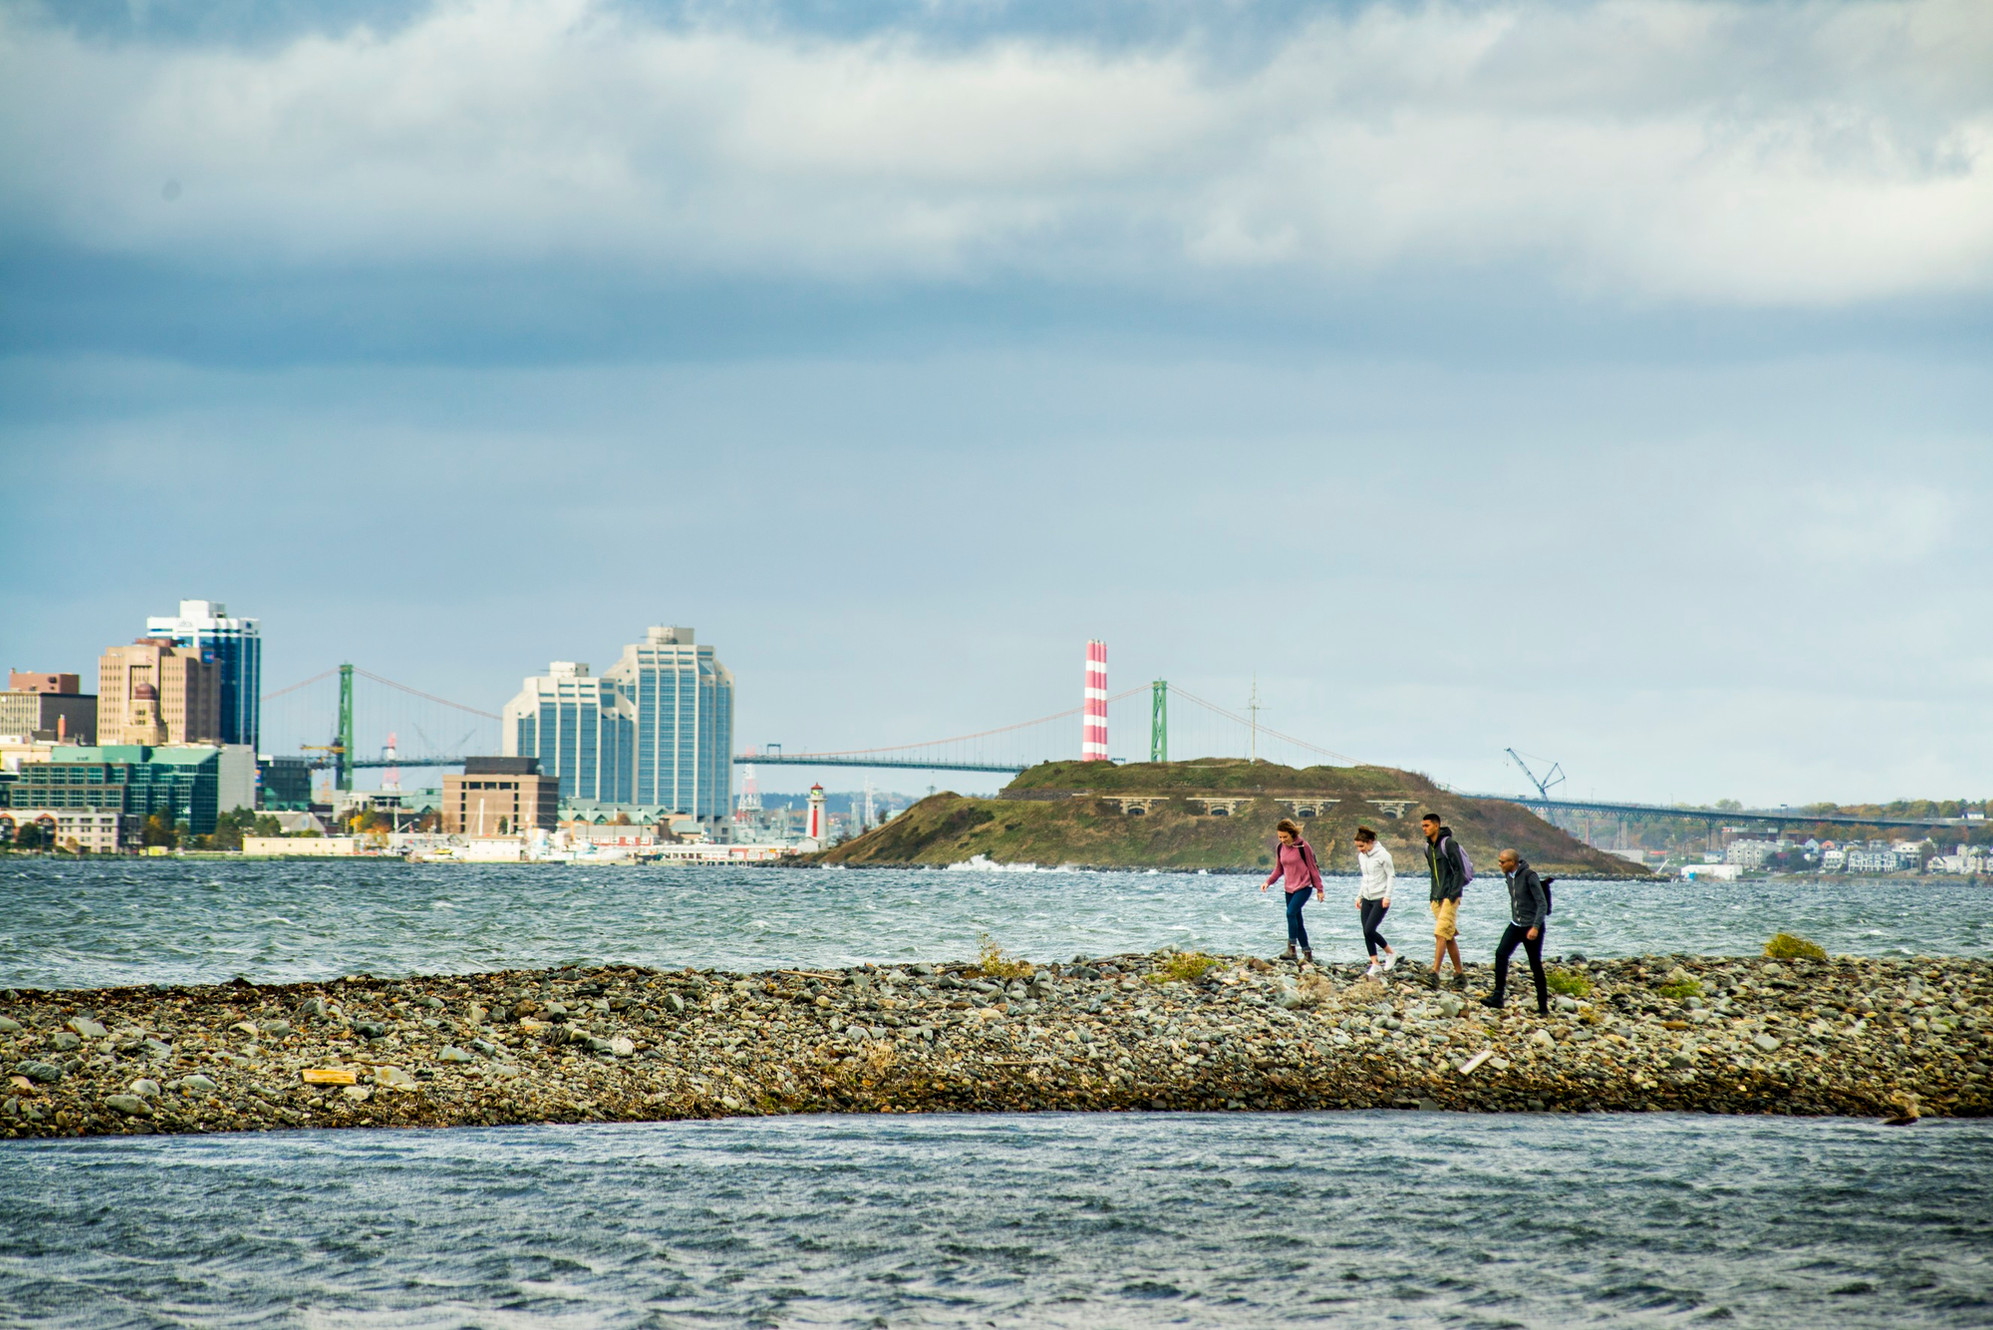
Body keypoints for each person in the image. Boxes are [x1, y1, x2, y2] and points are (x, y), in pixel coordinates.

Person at [1483, 849, 1550, 1015]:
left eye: (1503, 862)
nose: (1500, 864)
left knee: (1535, 964)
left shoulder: (1529, 876)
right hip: (1516, 925)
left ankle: (1543, 1007)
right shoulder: (1509, 876)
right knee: (1501, 954)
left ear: (1513, 862)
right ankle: (1497, 997)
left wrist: (1535, 926)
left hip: (1532, 927)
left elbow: (1542, 904)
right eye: (1499, 861)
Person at [1261, 818, 1325, 964]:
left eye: (1285, 837)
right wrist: (1268, 882)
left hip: (1304, 887)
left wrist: (1319, 889)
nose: (1283, 840)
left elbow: (1313, 868)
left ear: (1292, 834)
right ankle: (1307, 953)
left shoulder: (1303, 846)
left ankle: (1291, 949)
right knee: (1298, 920)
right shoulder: (1280, 848)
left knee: (1290, 913)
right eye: (1280, 837)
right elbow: (1279, 869)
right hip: (1289, 888)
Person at [1421, 813, 1467, 990]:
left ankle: (1435, 973)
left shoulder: (1448, 844)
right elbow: (1434, 873)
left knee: (1440, 933)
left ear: (1436, 826)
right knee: (1448, 936)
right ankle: (1459, 975)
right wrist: (1433, 896)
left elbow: (1459, 871)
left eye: (1427, 825)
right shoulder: (1428, 848)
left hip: (1450, 896)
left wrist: (1453, 894)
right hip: (1436, 897)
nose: (1424, 829)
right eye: (1423, 826)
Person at [1352, 826, 1398, 978]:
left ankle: (1390, 953)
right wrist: (1359, 896)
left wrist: (1387, 896)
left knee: (1369, 930)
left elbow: (1391, 875)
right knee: (1366, 932)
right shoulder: (1362, 857)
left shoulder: (1383, 855)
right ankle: (1375, 964)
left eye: (1362, 846)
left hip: (1380, 898)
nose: (1360, 850)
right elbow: (1365, 878)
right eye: (1358, 847)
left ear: (1370, 842)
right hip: (1366, 897)